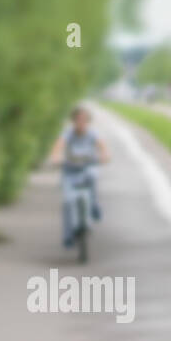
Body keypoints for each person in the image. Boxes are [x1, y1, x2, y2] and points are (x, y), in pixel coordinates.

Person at [48, 105, 109, 248]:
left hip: (87, 168)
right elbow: (58, 147)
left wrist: (104, 156)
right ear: (73, 121)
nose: (81, 123)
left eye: (84, 120)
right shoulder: (67, 134)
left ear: (88, 121)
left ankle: (94, 207)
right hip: (70, 171)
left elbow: (103, 148)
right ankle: (68, 235)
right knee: (68, 202)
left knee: (92, 177)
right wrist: (56, 158)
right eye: (78, 120)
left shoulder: (93, 134)